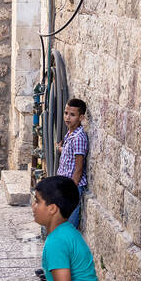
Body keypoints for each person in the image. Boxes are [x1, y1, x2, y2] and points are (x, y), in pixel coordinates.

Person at [55, 97, 89, 229]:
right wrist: (61, 149)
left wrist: (71, 190)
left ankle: (69, 249)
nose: (67, 118)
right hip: (64, 185)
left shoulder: (79, 138)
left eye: (72, 115)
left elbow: (79, 167)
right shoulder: (70, 134)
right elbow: (70, 153)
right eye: (66, 113)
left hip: (72, 187)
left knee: (69, 225)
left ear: (81, 117)